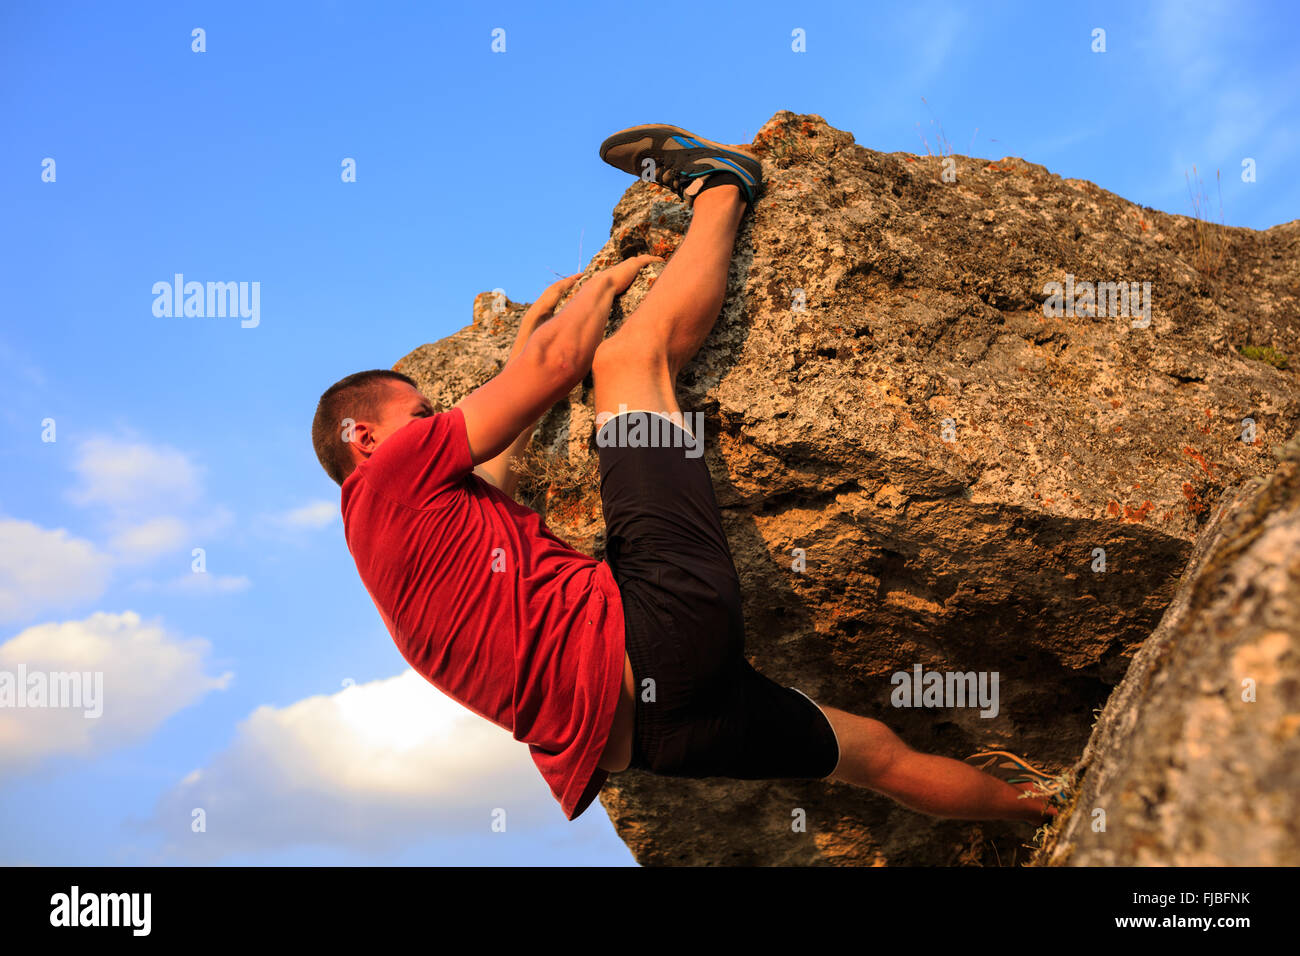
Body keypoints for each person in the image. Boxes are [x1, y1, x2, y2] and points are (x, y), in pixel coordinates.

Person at [311, 124, 1060, 826]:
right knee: (627, 361)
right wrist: (589, 302)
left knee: (873, 756)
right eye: (424, 412)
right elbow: (561, 365)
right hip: (654, 630)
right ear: (366, 438)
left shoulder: (389, 546)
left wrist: (514, 377)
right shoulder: (387, 475)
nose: (440, 419)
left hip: (663, 742)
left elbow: (494, 491)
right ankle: (724, 183)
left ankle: (1041, 813)